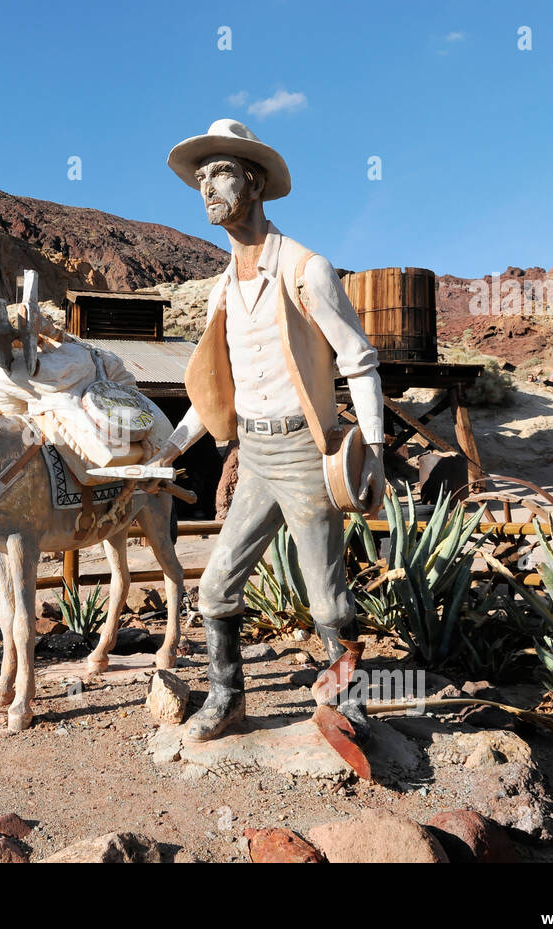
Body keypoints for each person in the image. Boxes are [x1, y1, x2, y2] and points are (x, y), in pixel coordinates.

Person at [147, 119, 386, 741]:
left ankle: (347, 703)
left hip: (308, 453)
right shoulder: (223, 286)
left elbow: (357, 356)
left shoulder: (307, 269)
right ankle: (228, 698)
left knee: (328, 598)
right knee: (215, 587)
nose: (207, 190)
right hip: (251, 454)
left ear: (253, 183)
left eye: (220, 175)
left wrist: (376, 448)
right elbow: (215, 391)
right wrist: (170, 450)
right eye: (200, 180)